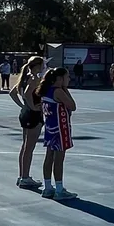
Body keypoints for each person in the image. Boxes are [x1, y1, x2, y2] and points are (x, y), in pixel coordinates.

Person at [37, 66, 78, 200]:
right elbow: (72, 106)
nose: (69, 79)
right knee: (58, 159)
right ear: (60, 79)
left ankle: (48, 187)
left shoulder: (46, 90)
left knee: (49, 157)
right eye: (67, 77)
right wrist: (66, 89)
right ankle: (59, 189)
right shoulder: (59, 91)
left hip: (50, 127)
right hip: (60, 128)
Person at [11, 56, 47, 190]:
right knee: (29, 148)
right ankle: (25, 177)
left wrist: (23, 106)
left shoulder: (24, 78)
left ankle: (22, 175)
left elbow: (12, 93)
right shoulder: (34, 79)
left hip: (25, 113)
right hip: (33, 114)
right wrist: (32, 107)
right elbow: (27, 93)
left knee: (25, 147)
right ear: (37, 66)